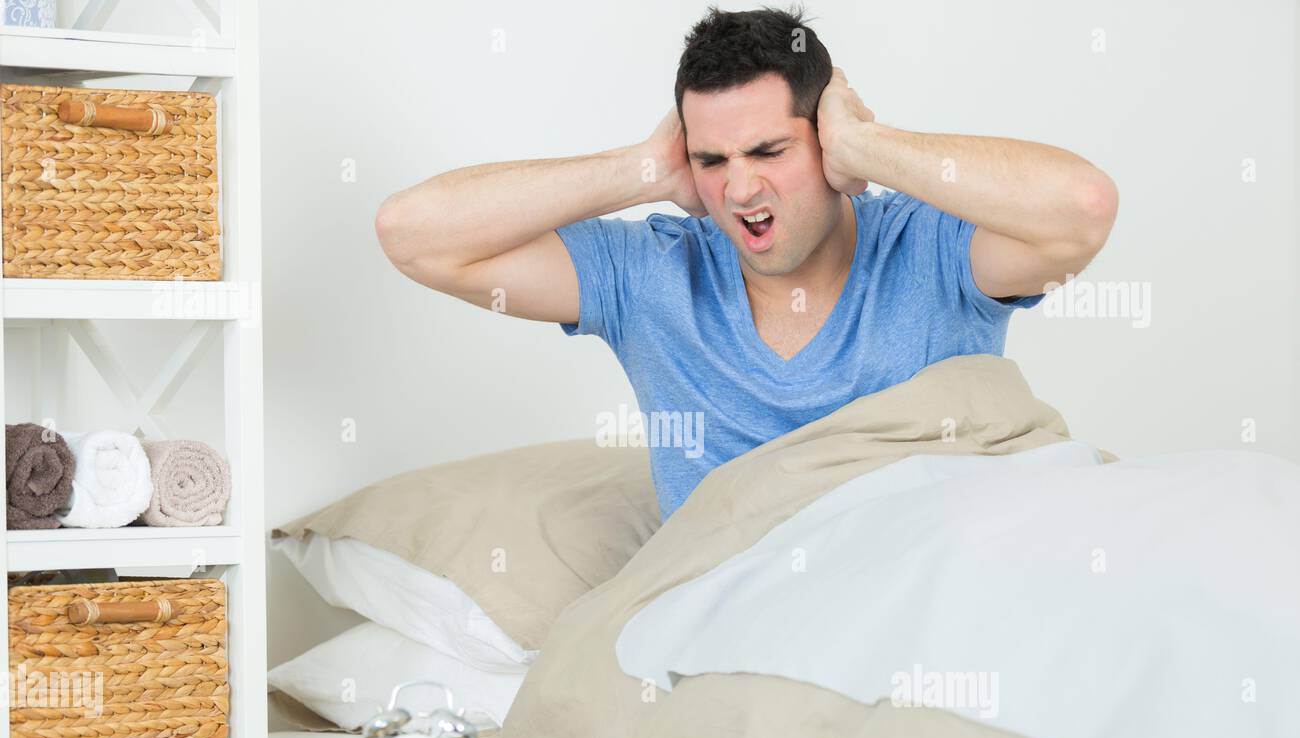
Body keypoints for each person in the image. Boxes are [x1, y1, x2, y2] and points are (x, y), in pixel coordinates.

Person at [375, 5, 1118, 521]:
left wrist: (868, 146)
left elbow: (1080, 209)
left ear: (825, 139)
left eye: (769, 151)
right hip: (738, 633)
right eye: (710, 159)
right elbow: (414, 234)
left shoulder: (930, 249)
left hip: (927, 596)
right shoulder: (648, 277)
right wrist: (641, 169)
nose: (738, 188)